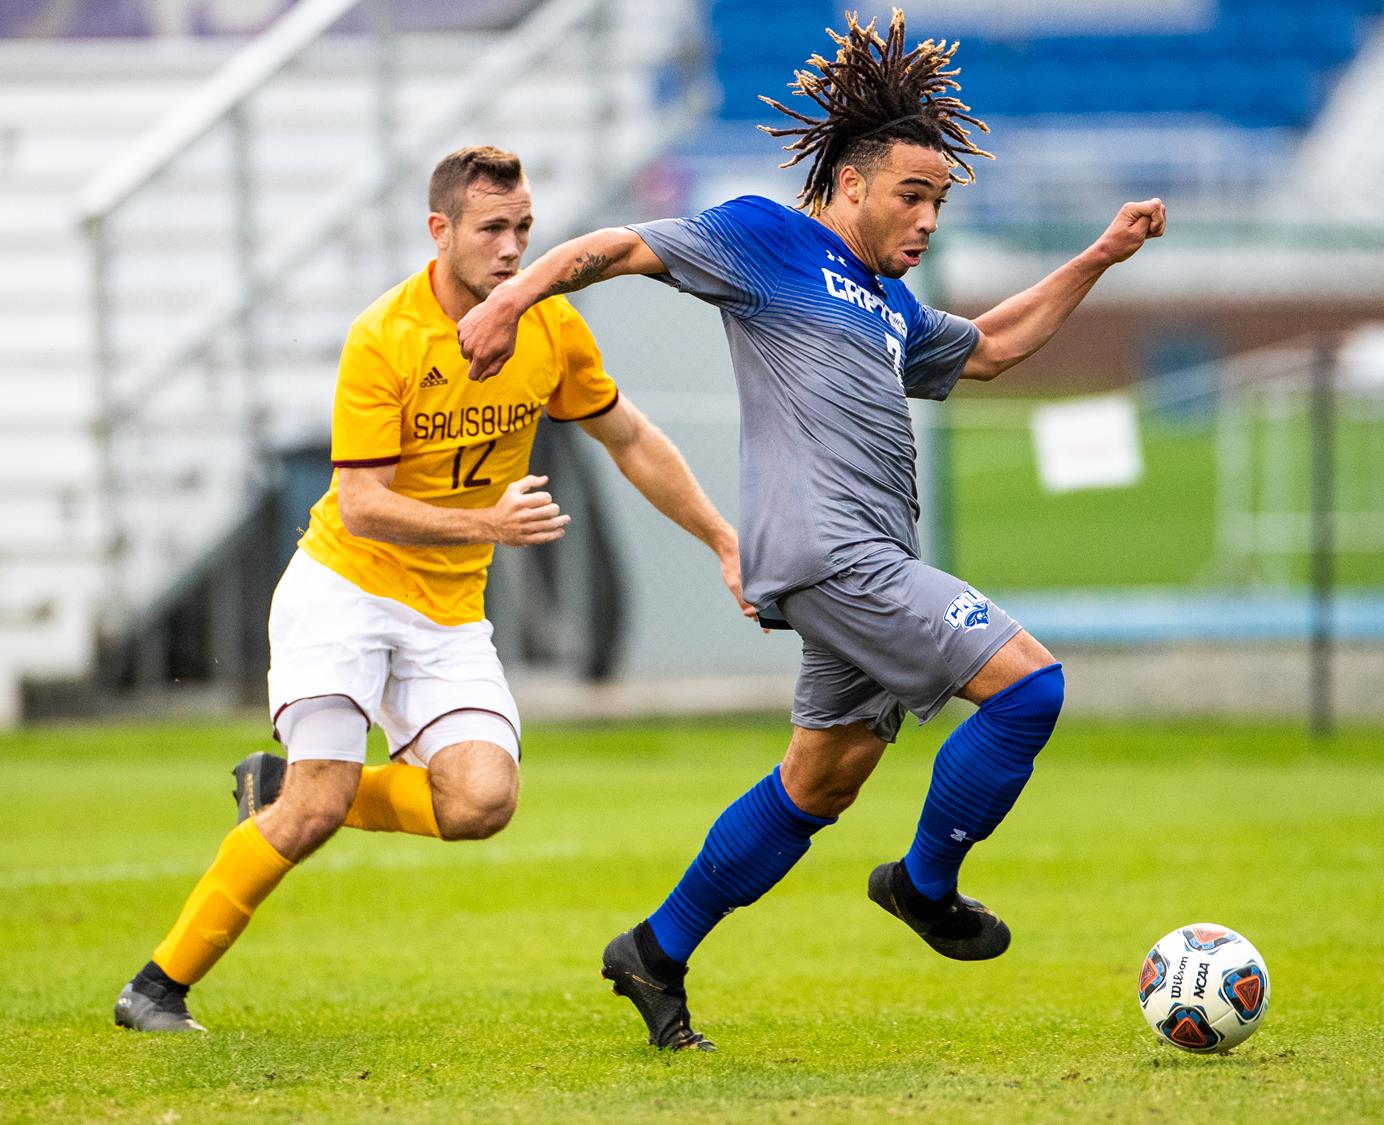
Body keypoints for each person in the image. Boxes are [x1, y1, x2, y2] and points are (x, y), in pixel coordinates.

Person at [457, 11, 1165, 1051]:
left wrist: (1100, 254)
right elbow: (621, 246)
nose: (927, 219)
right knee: (1029, 687)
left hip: (866, 560)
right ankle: (924, 886)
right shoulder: (766, 238)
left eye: (938, 200)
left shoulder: (887, 306)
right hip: (834, 556)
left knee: (820, 780)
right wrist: (513, 298)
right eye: (910, 195)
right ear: (847, 184)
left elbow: (989, 349)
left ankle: (654, 950)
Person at [113, 145, 749, 1032]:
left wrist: (722, 538)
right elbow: (363, 505)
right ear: (439, 230)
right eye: (492, 229)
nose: (512, 248)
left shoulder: (550, 327)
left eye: (523, 227)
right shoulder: (386, 335)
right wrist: (492, 524)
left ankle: (283, 783)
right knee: (316, 807)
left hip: (446, 611)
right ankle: (156, 987)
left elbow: (630, 437)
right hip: (344, 587)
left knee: (483, 801)